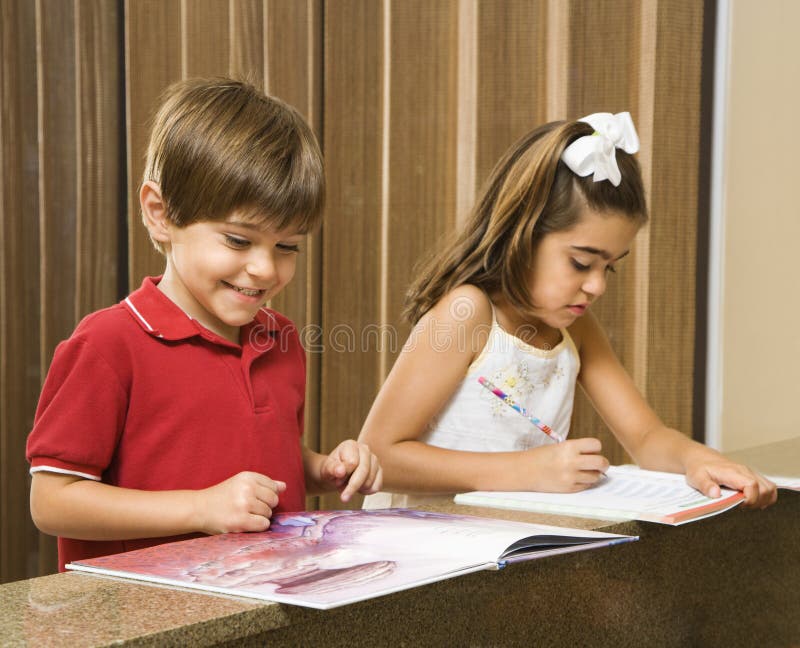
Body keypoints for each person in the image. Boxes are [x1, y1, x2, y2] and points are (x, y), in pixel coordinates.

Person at [26, 77, 382, 571]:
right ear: (160, 214)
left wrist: (323, 469)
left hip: (263, 604)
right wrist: (199, 507)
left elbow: (268, 456)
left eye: (287, 246)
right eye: (238, 241)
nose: (265, 268)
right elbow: (52, 500)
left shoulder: (279, 339)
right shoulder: (107, 345)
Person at [358, 111, 775, 510]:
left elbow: (646, 436)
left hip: (511, 545)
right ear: (523, 232)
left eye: (609, 266)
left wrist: (697, 458)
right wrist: (527, 470)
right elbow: (380, 454)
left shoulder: (578, 329)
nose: (597, 286)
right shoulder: (468, 312)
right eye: (580, 262)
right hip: (427, 548)